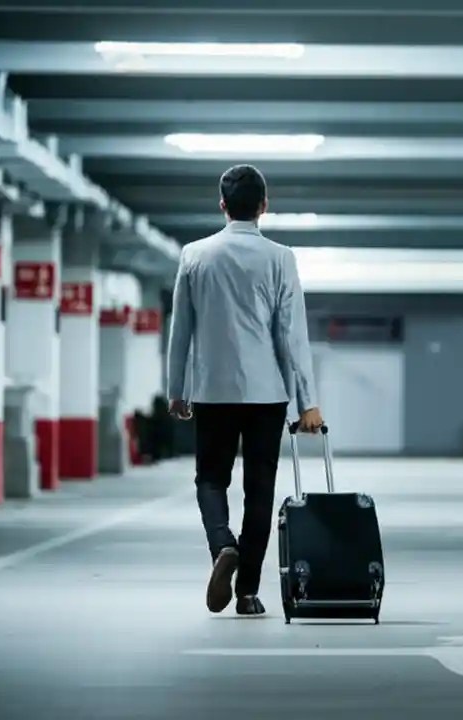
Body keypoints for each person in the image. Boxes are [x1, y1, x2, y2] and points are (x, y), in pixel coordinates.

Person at [167, 164, 324, 616]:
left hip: (212, 391)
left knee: (211, 480)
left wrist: (177, 390)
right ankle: (249, 593)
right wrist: (307, 403)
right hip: (266, 393)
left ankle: (222, 547)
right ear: (264, 206)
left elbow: (182, 331)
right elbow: (292, 336)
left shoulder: (195, 255)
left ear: (222, 205)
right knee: (260, 491)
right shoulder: (280, 258)